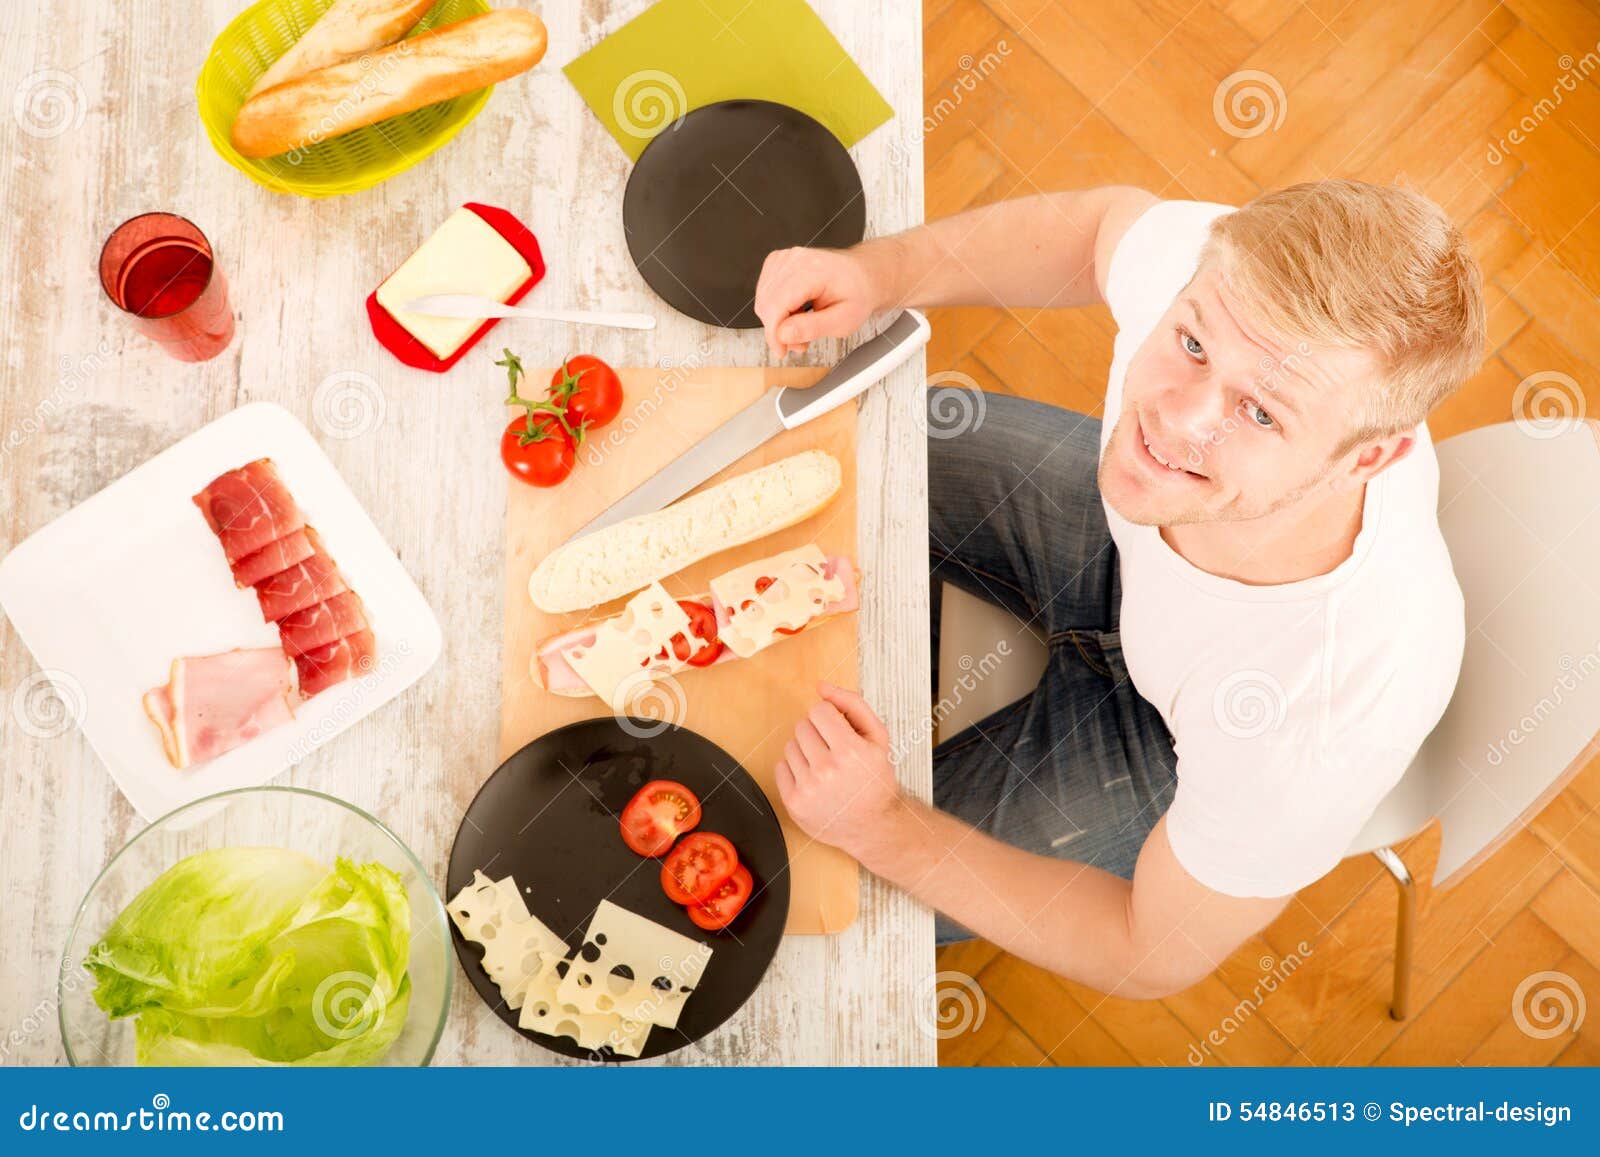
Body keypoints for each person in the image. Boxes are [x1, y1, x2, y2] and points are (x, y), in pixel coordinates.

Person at [756, 182, 1485, 997]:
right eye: (1193, 347)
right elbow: (1098, 228)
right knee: (842, 449)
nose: (1178, 419)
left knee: (804, 860)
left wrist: (885, 826)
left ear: (1366, 460)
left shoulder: (1308, 729)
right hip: (1121, 541)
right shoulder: (1237, 290)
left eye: (1261, 414)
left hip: (1185, 743)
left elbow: (1148, 950)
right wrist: (884, 272)